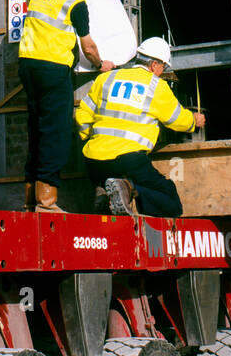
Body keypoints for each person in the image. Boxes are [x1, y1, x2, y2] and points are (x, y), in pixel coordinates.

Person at [18, 0, 110, 213]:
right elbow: (88, 46)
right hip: (53, 69)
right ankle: (46, 203)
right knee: (56, 133)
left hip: (27, 66)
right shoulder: (76, 2)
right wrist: (100, 63)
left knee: (36, 131)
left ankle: (28, 200)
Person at [74, 36, 205, 219]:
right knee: (171, 202)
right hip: (129, 161)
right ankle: (128, 188)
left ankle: (105, 193)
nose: (162, 72)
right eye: (163, 67)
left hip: (94, 160)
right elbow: (177, 119)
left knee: (110, 192)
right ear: (153, 65)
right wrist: (194, 121)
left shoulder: (107, 78)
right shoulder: (156, 86)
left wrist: (90, 139)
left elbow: (82, 114)